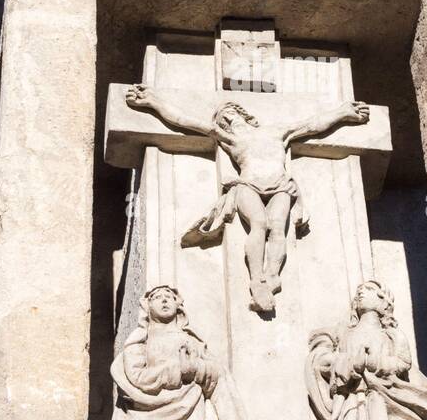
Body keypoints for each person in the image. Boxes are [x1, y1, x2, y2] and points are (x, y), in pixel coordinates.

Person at [126, 84, 369, 312]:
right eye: (223, 119)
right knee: (259, 224)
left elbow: (312, 125)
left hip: (281, 185)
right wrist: (153, 102)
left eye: (230, 114)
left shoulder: (277, 132)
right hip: (248, 185)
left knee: (277, 227)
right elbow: (184, 120)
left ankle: (273, 277)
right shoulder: (230, 139)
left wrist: (342, 112)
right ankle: (256, 279)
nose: (227, 119)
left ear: (245, 116)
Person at [306, 280, 427, 420]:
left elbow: (403, 362)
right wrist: (348, 363)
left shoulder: (392, 335)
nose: (361, 292)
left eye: (369, 289)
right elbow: (322, 357)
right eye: (359, 290)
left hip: (387, 394)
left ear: (383, 302)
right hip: (352, 398)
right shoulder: (343, 332)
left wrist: (373, 362)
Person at [111, 284, 251, 420]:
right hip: (143, 413)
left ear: (177, 305)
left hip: (189, 409)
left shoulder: (191, 340)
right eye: (157, 297)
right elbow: (136, 377)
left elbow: (218, 375)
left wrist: (196, 368)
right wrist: (177, 370)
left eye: (169, 297)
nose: (164, 300)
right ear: (148, 307)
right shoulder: (140, 340)